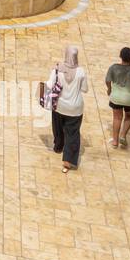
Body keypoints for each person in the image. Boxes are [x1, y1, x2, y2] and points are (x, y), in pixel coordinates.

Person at [44, 45, 88, 173]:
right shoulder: (81, 72)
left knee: (58, 127)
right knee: (72, 133)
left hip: (59, 106)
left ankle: (58, 146)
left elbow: (49, 84)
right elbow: (85, 89)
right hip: (75, 108)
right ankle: (68, 160)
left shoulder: (57, 69)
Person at [105, 47, 130, 149]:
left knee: (117, 118)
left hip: (116, 97)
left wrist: (109, 89)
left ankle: (115, 141)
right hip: (129, 99)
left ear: (120, 56)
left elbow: (107, 80)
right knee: (129, 117)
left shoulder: (113, 68)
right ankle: (123, 135)